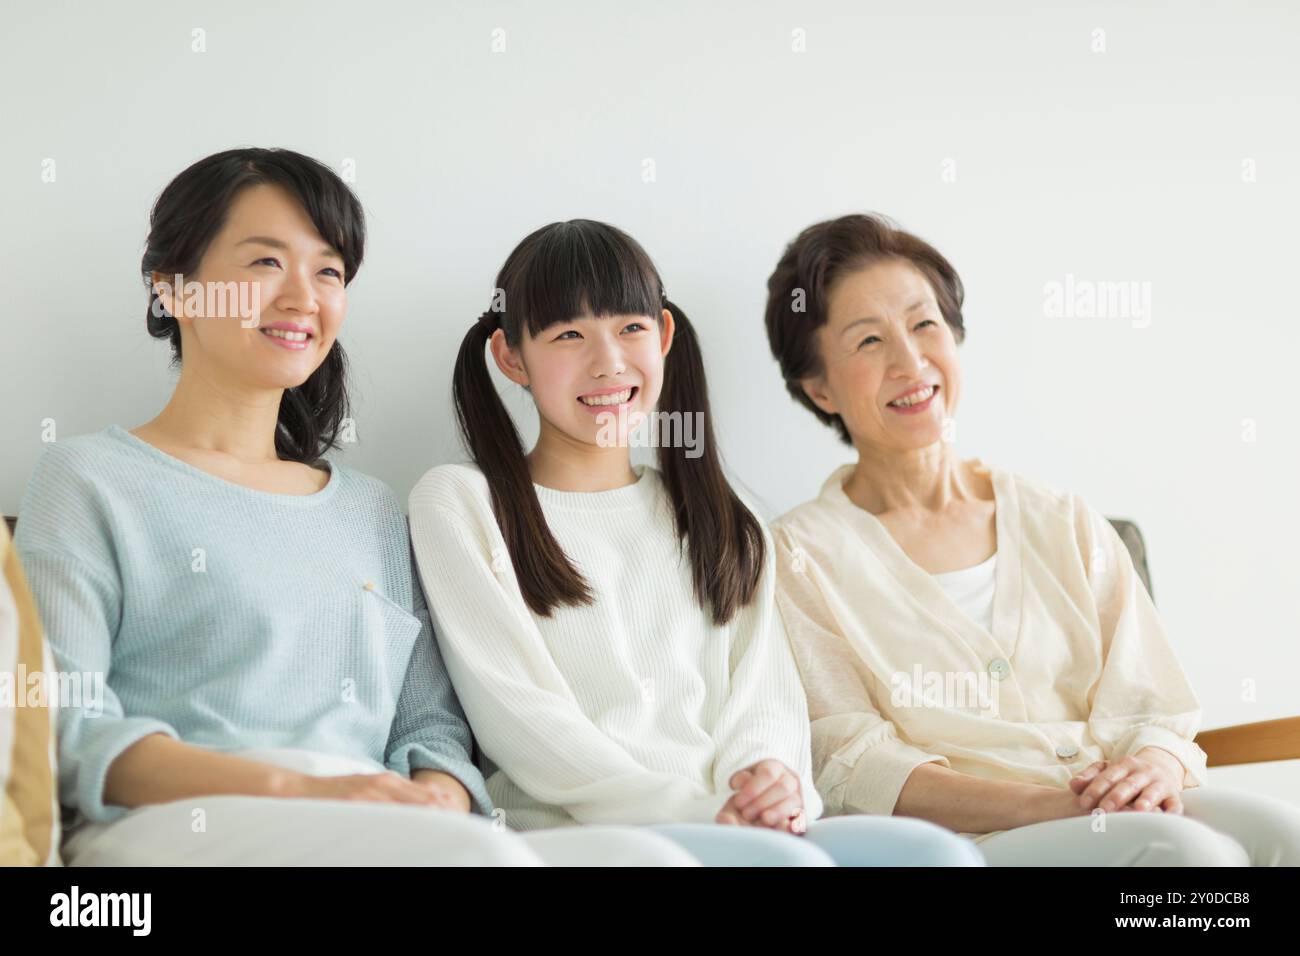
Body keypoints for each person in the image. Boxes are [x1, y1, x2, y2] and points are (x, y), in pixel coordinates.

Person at [13, 149, 694, 867]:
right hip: (175, 828)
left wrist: (436, 791)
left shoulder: (368, 510)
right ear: (173, 289)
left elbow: (429, 728)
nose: (303, 296)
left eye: (329, 271)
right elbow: (71, 729)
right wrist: (298, 789)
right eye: (265, 263)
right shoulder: (88, 479)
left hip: (376, 825)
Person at [409, 219, 984, 866]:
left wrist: (766, 780)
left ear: (664, 335)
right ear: (511, 357)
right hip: (576, 837)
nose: (609, 361)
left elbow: (765, 700)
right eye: (569, 334)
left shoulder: (720, 517)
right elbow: (520, 720)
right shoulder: (461, 503)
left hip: (734, 823)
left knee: (934, 855)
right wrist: (704, 812)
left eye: (631, 327)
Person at [763, 212, 1300, 865]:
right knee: (1185, 854)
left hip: (1119, 806)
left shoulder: (1061, 518)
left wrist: (1153, 766)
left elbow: (1154, 704)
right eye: (869, 341)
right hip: (972, 839)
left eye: (924, 324)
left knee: (1281, 834)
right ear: (818, 386)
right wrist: (1068, 807)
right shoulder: (796, 557)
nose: (910, 361)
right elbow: (849, 761)